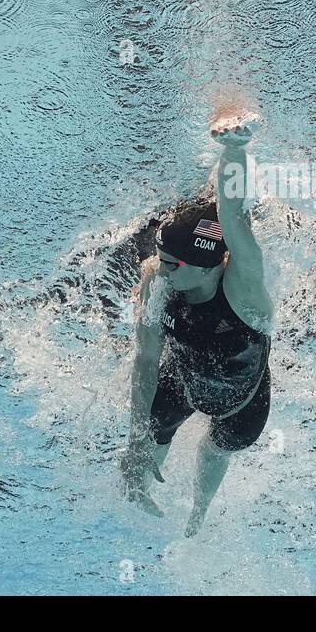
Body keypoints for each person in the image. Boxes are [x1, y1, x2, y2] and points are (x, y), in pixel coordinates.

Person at [120, 113, 274, 537]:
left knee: (217, 451)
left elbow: (233, 219)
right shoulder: (159, 279)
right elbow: (146, 359)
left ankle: (197, 517)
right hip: (181, 378)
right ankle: (142, 484)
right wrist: (136, 443)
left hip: (241, 404)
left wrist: (234, 151)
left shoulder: (243, 292)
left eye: (170, 261)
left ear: (204, 266)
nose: (156, 266)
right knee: (153, 433)